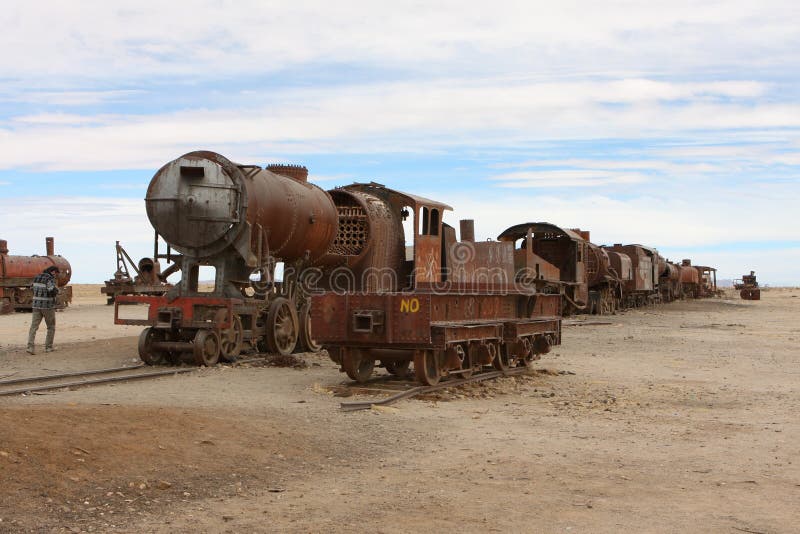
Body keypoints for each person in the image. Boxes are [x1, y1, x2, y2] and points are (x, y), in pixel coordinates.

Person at [27, 265, 60, 354]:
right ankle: (48, 347)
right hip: (47, 306)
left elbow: (31, 288)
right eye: (56, 274)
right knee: (51, 327)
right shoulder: (49, 278)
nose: (55, 276)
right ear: (53, 271)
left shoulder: (37, 277)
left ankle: (30, 347)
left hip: (36, 305)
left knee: (34, 327)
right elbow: (51, 290)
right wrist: (57, 290)